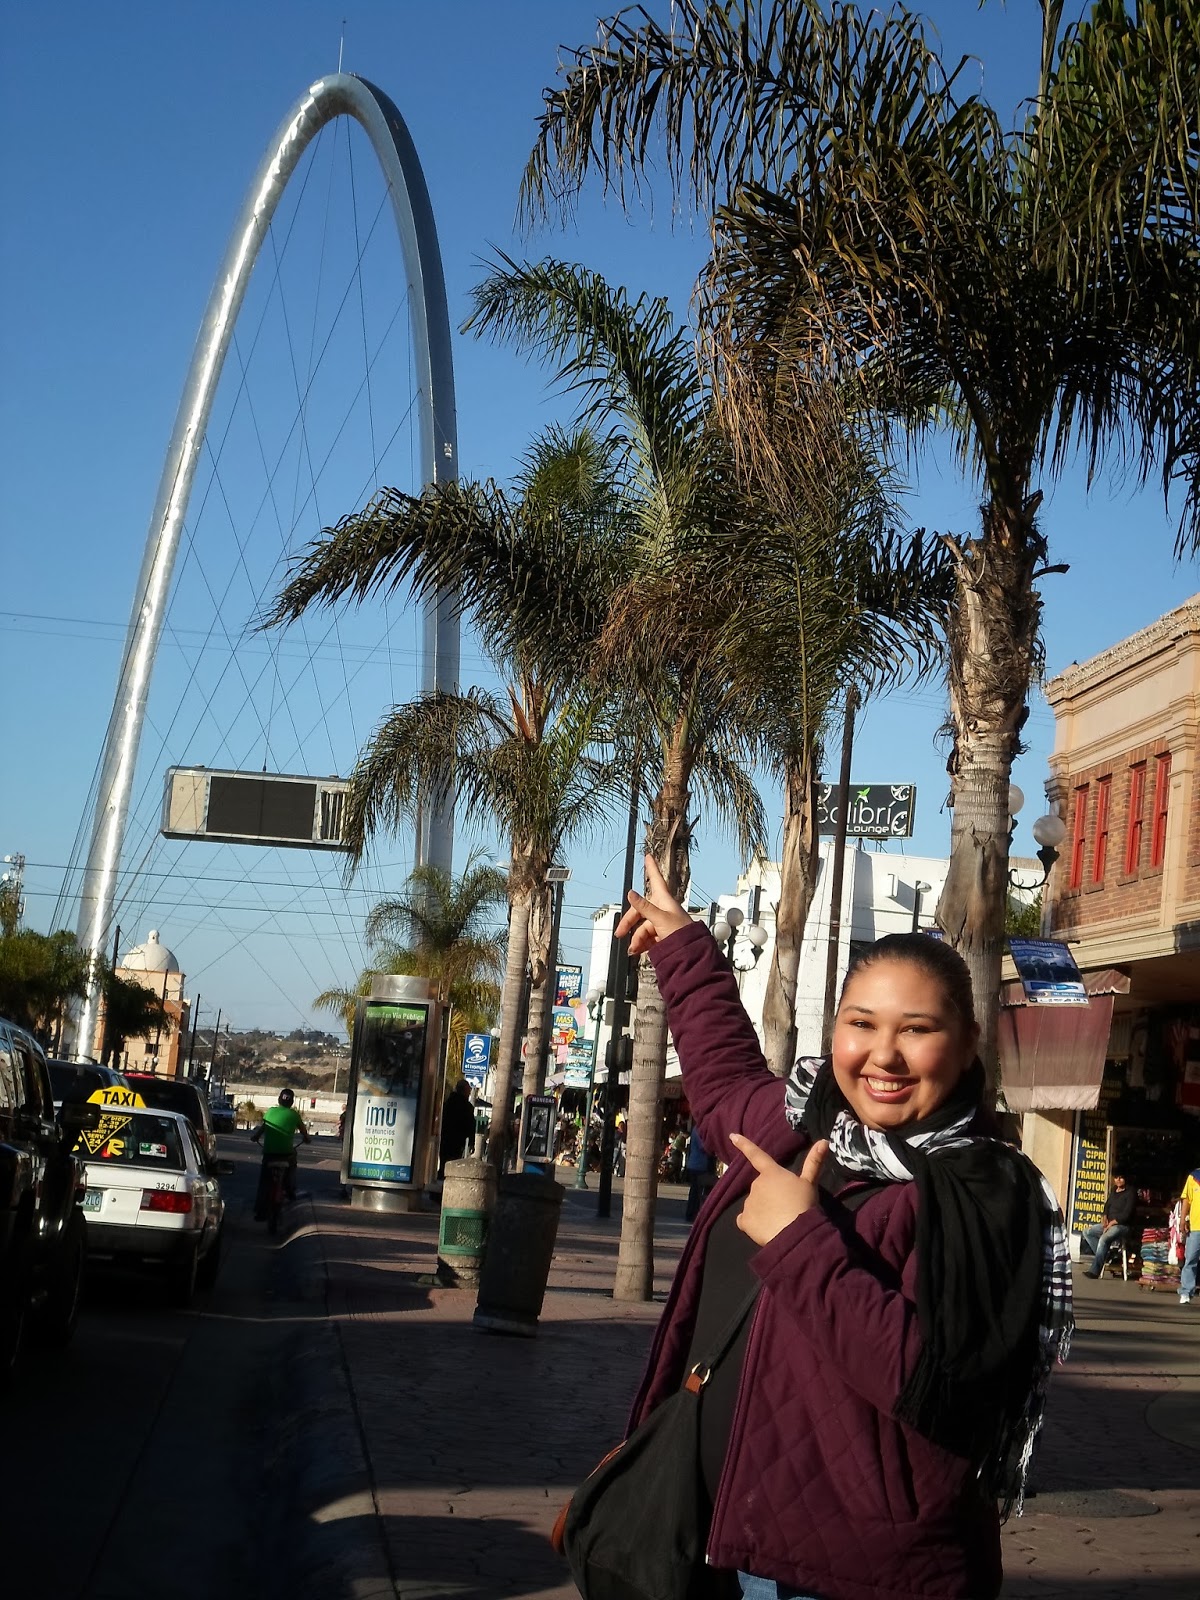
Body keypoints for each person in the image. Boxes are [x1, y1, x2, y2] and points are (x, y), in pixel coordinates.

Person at [612, 856, 1072, 1600]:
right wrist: (685, 948)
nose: (883, 1055)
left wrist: (800, 1240)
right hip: (717, 1536)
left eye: (916, 1030)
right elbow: (726, 1081)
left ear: (966, 1041)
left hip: (856, 1576)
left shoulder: (985, 1191)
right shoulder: (804, 1127)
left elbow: (943, 1389)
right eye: (862, 1024)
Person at [250, 1087, 310, 1212]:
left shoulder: (270, 1112)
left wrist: (255, 1137)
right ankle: (290, 1190)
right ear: (292, 1102)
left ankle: (259, 1209)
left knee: (264, 1180)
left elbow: (263, 1128)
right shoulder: (294, 1115)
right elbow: (304, 1132)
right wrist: (306, 1139)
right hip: (286, 1154)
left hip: (269, 1154)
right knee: (291, 1167)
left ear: (279, 1100)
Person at [1081, 1171, 1138, 1279]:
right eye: (1116, 1177)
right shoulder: (1114, 1191)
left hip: (1122, 1226)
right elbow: (1107, 1206)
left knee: (1104, 1238)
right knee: (1087, 1232)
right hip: (1109, 1224)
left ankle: (1094, 1271)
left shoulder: (1131, 1193)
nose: (1118, 1180)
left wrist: (1111, 1223)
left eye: (1121, 1178)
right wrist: (1105, 1218)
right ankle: (1106, 1255)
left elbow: (1127, 1214)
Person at [438, 1077, 475, 1179]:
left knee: (444, 1162)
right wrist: (472, 1141)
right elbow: (470, 1125)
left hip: (445, 1138)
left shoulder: (447, 1103)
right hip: (457, 1140)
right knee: (453, 1163)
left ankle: (441, 1178)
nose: (469, 1093)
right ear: (464, 1091)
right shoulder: (466, 1107)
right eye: (468, 1090)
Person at [684, 1124, 718, 1222]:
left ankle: (693, 1213)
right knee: (697, 1191)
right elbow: (703, 1147)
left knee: (696, 1191)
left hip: (696, 1164)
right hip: (699, 1164)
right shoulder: (699, 1129)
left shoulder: (696, 1129)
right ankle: (693, 1214)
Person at [1179, 1165, 1200, 1305]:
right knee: (1191, 1259)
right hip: (1196, 1226)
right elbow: (1186, 1200)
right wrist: (1182, 1220)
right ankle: (1186, 1292)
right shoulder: (1194, 1177)